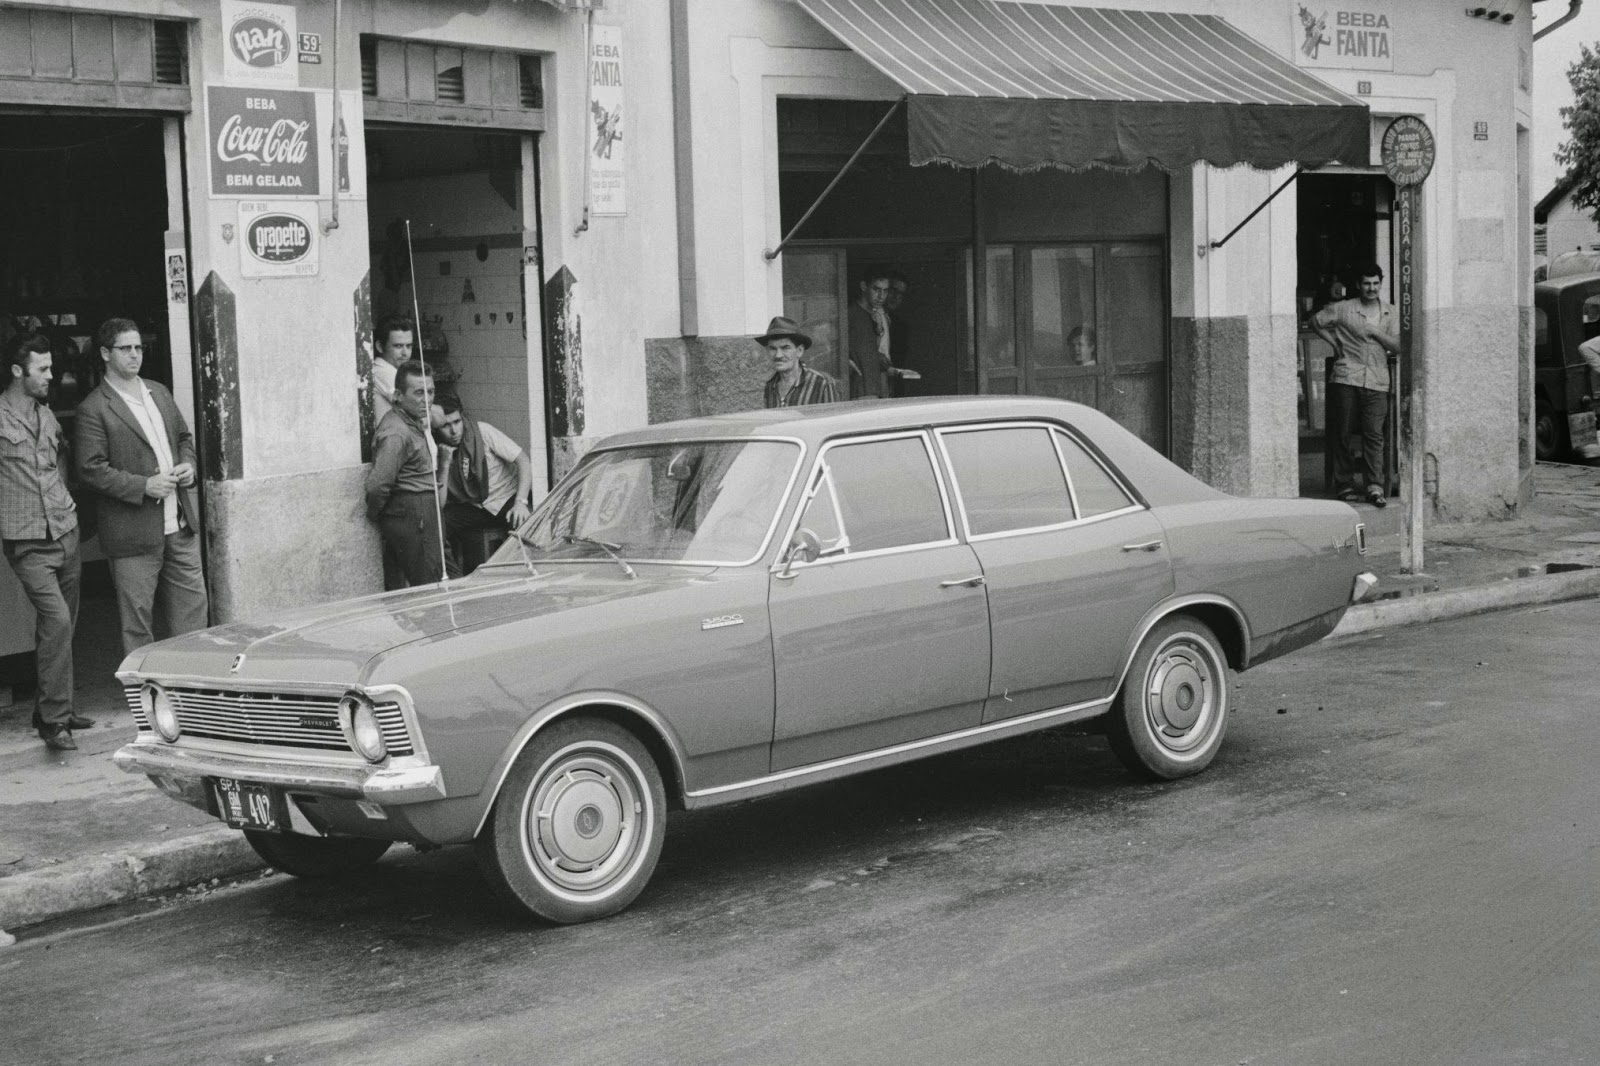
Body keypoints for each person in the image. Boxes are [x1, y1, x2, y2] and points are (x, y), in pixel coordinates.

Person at [76, 318, 208, 656]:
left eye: (139, 348)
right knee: (138, 623)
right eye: (126, 349)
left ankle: (191, 691)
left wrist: (189, 466)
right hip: (132, 533)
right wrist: (143, 485)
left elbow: (183, 438)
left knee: (192, 612)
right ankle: (146, 697)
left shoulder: (158, 391)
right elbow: (89, 469)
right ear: (105, 353)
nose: (135, 355)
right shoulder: (93, 408)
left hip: (179, 524)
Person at [1, 334, 88, 751]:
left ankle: (55, 707)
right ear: (18, 371)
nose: (51, 376)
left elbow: (60, 463)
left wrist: (68, 509)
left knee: (62, 628)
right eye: (43, 369)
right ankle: (54, 722)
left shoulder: (46, 414)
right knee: (57, 621)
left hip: (64, 531)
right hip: (27, 541)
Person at [1312, 264, 1400, 507]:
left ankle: (1374, 485)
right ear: (1358, 285)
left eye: (1375, 283)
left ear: (1381, 284)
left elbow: (1398, 346)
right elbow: (1316, 321)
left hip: (1378, 380)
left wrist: (1375, 332)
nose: (1371, 288)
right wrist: (1334, 343)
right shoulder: (1344, 308)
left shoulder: (1391, 313)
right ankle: (1345, 484)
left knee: (1374, 434)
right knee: (1343, 433)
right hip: (1346, 377)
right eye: (1366, 283)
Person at [432, 395, 534, 575]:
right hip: (473, 506)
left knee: (523, 528)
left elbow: (523, 460)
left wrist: (521, 501)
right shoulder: (435, 448)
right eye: (445, 426)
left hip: (506, 498)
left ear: (462, 418)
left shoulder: (482, 432)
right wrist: (445, 463)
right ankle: (455, 581)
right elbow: (439, 505)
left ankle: (521, 579)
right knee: (438, 525)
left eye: (457, 422)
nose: (454, 431)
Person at [366, 360, 444, 589]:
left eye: (430, 392)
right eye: (419, 392)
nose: (427, 400)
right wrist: (381, 515)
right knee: (429, 586)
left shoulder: (413, 422)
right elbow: (377, 485)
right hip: (411, 514)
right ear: (399, 395)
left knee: (422, 582)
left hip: (422, 513)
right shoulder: (396, 432)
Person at [758, 317, 840, 408]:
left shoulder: (821, 383)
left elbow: (834, 420)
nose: (778, 355)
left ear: (799, 351)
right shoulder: (770, 386)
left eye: (785, 348)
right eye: (773, 349)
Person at [846, 266, 894, 399]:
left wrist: (879, 330)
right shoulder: (849, 314)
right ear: (863, 286)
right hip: (858, 389)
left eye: (885, 291)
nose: (881, 296)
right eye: (876, 289)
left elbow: (871, 349)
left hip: (875, 388)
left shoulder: (876, 315)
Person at [370, 314, 416, 425]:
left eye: (408, 346)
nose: (405, 353)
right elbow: (417, 406)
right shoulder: (382, 371)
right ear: (380, 346)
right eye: (398, 346)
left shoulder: (398, 372)